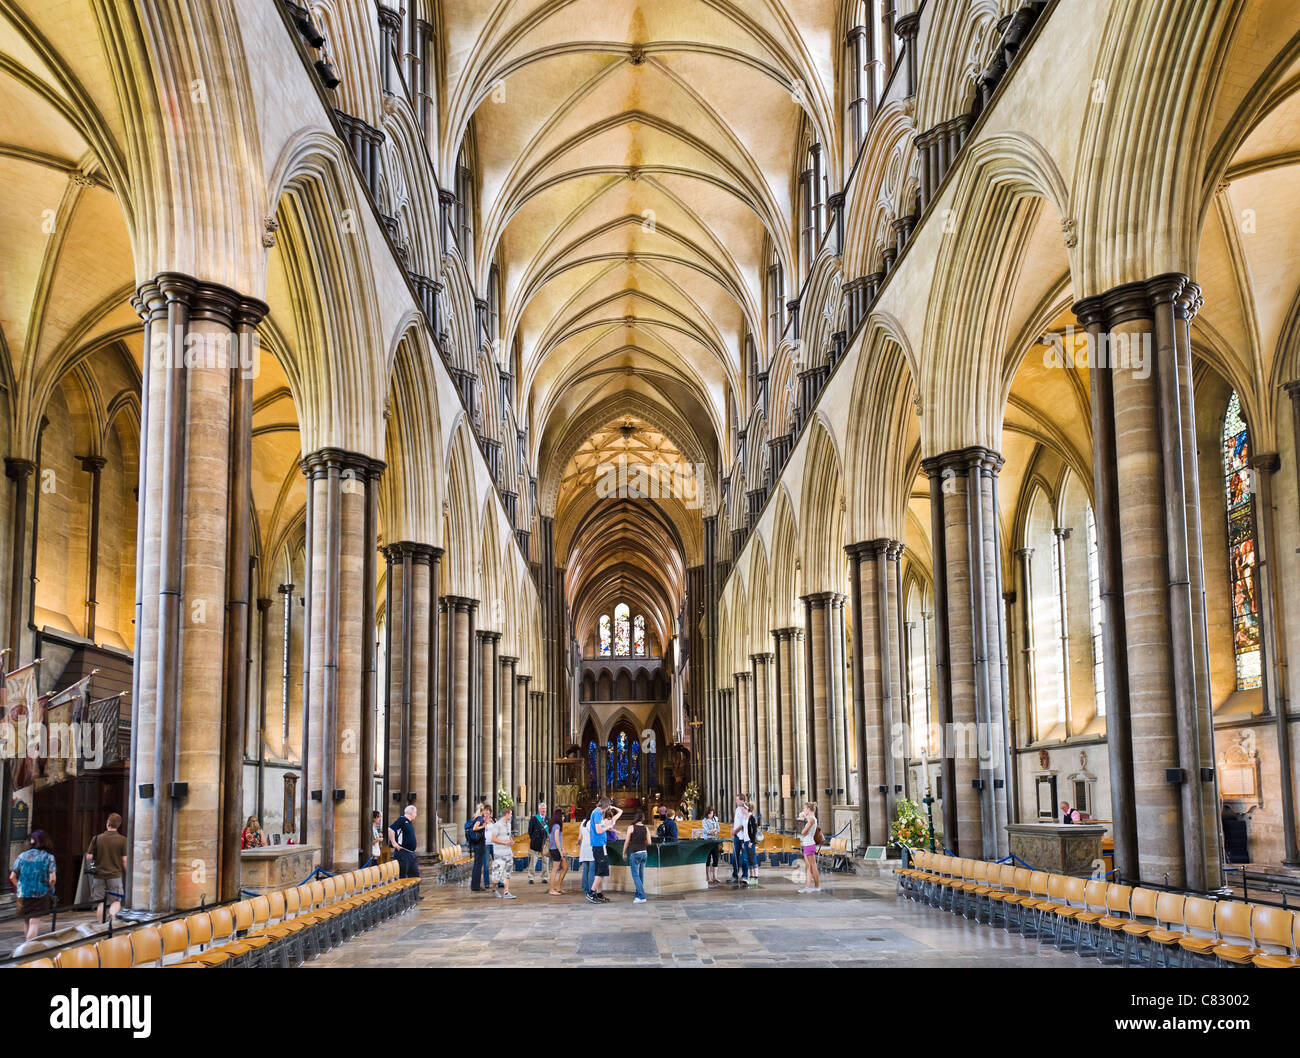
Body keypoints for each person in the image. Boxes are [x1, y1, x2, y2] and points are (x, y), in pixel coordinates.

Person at [10, 830, 56, 942]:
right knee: (34, 922)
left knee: (26, 921)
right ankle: (29, 948)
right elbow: (53, 879)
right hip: (40, 893)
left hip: (23, 893)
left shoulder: (22, 856)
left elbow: (12, 876)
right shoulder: (48, 857)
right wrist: (48, 889)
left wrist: (20, 886)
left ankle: (26, 946)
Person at [85, 812, 127, 924]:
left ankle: (100, 927)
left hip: (98, 875)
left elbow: (89, 857)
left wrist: (94, 868)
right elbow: (124, 860)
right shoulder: (122, 840)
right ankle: (112, 916)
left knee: (100, 903)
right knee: (116, 900)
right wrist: (127, 873)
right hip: (115, 875)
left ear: (107, 823)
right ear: (119, 825)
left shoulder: (96, 838)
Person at [588, 796, 622, 903]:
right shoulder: (598, 813)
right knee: (602, 869)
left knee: (600, 870)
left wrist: (610, 828)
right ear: (606, 806)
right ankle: (591, 893)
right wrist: (609, 827)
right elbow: (598, 830)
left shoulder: (595, 812)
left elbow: (599, 827)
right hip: (599, 845)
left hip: (599, 845)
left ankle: (599, 894)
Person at [489, 806, 516, 899]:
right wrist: (504, 843)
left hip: (508, 852)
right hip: (499, 852)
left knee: (507, 872)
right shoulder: (497, 825)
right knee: (497, 874)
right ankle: (494, 888)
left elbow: (509, 835)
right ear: (507, 814)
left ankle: (506, 892)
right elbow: (493, 839)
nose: (512, 816)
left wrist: (511, 840)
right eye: (511, 814)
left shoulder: (508, 824)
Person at [624, 811, 650, 903]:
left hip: (635, 853)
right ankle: (638, 895)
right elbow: (649, 842)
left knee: (635, 875)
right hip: (644, 852)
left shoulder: (631, 827)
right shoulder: (646, 828)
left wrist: (623, 852)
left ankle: (642, 896)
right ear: (642, 818)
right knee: (640, 875)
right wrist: (642, 843)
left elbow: (627, 841)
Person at [388, 805, 419, 878]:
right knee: (402, 876)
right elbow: (390, 829)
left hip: (411, 853)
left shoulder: (409, 822)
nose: (416, 814)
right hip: (403, 853)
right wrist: (394, 843)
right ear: (411, 813)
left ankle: (414, 890)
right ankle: (403, 890)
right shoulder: (402, 820)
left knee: (415, 875)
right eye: (415, 812)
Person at [798, 802, 821, 893]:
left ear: (808, 809)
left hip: (809, 844)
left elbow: (803, 832)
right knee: (809, 867)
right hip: (807, 844)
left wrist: (802, 819)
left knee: (813, 866)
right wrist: (803, 817)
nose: (803, 810)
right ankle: (809, 887)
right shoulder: (810, 819)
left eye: (804, 809)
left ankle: (816, 886)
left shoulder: (811, 819)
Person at [469, 805, 493, 892]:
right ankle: (476, 886)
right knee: (478, 865)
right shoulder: (479, 818)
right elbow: (475, 828)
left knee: (477, 865)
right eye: (484, 811)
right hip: (479, 845)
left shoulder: (476, 818)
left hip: (477, 844)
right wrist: (484, 825)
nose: (485, 813)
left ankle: (475, 885)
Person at [729, 794, 750, 886]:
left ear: (742, 800)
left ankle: (745, 876)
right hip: (737, 837)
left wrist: (735, 831)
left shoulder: (745, 810)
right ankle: (735, 875)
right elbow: (736, 822)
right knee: (734, 856)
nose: (736, 801)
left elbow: (742, 825)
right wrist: (732, 830)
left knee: (745, 858)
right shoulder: (737, 809)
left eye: (737, 800)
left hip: (744, 837)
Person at [547, 809, 568, 895]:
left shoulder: (552, 825)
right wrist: (561, 852)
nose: (564, 818)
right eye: (563, 816)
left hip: (554, 849)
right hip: (556, 850)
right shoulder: (557, 826)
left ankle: (558, 887)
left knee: (565, 867)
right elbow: (556, 840)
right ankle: (551, 889)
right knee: (554, 870)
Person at [527, 800, 549, 883]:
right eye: (542, 809)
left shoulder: (547, 819)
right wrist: (533, 839)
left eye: (545, 809)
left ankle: (545, 877)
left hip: (544, 843)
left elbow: (549, 831)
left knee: (545, 861)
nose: (544, 810)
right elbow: (530, 831)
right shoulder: (534, 818)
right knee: (533, 861)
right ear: (539, 809)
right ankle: (531, 877)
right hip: (535, 843)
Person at [700, 806, 721, 885]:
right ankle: (708, 877)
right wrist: (713, 830)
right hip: (707, 841)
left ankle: (715, 877)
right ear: (707, 813)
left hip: (715, 841)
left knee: (716, 857)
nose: (710, 815)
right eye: (709, 813)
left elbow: (718, 829)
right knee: (708, 859)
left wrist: (714, 828)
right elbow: (706, 831)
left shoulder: (714, 820)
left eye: (711, 813)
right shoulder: (704, 821)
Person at [746, 801, 761, 885]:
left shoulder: (752, 817)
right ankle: (751, 877)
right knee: (750, 859)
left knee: (753, 859)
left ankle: (755, 877)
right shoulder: (747, 817)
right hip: (748, 840)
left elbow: (754, 830)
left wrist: (751, 841)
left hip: (751, 841)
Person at [578, 816, 594, 896]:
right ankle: (591, 889)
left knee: (585, 870)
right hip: (591, 847)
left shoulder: (582, 822)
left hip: (584, 848)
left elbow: (580, 837)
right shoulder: (591, 822)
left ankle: (585, 889)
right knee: (592, 870)